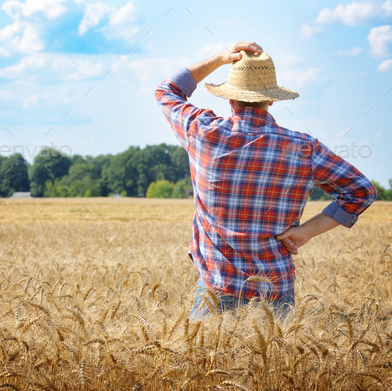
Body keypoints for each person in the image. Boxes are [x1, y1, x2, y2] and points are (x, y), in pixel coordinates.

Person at [154, 41, 377, 320]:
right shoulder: (304, 148)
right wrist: (307, 231)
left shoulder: (202, 132)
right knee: (275, 363)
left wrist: (222, 58)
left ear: (229, 97)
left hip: (217, 285)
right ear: (272, 99)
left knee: (206, 362)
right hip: (276, 287)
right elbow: (361, 192)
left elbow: (167, 90)